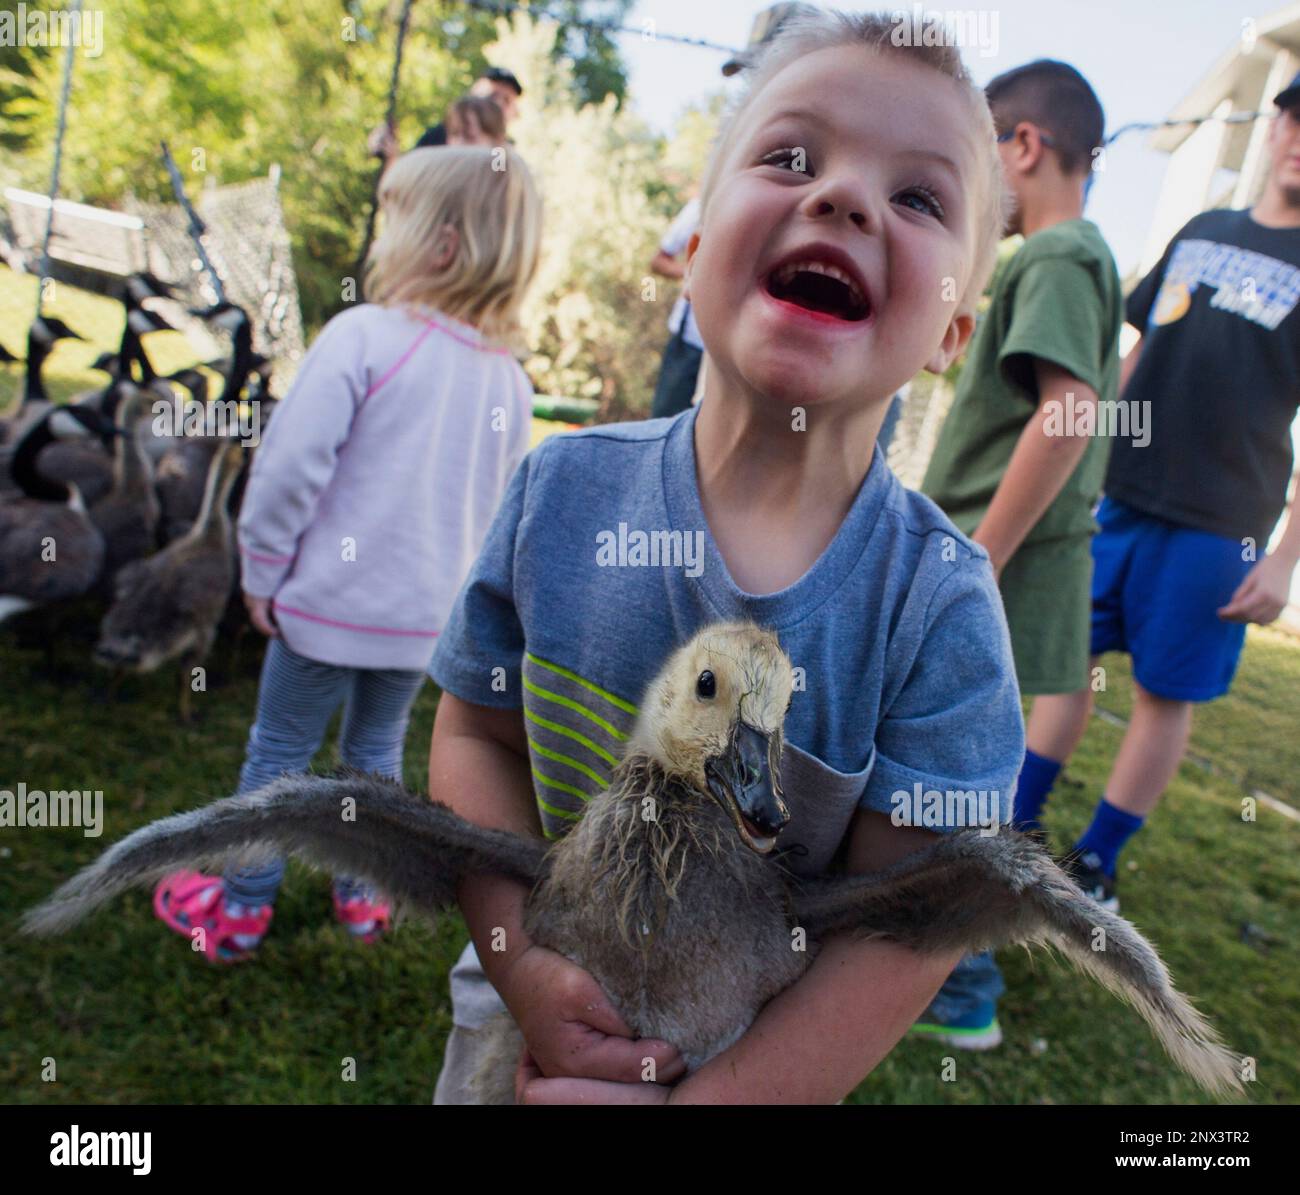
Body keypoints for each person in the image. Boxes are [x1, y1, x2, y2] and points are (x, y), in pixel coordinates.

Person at [425, 8, 1024, 1104]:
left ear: (951, 335)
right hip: (518, 995)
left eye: (918, 196)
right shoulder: (561, 492)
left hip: (750, 1046)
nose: (842, 197)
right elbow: (476, 733)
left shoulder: (937, 607)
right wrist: (524, 967)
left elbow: (909, 924)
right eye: (790, 158)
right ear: (693, 253)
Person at [150, 147, 542, 961]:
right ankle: (364, 899)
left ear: (438, 244)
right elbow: (499, 510)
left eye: (392, 217)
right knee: (372, 760)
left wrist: (261, 570)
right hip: (421, 628)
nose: (378, 238)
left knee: (279, 756)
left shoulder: (366, 336)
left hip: (326, 610)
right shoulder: (508, 381)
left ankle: (240, 909)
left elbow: (291, 466)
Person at [1020, 72, 1300, 913]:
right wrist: (1084, 452)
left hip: (1223, 525)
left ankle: (1096, 863)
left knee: (1161, 695)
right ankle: (1011, 825)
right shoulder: (1204, 228)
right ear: (1277, 127)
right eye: (1295, 119)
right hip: (1121, 492)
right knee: (1068, 664)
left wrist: (1285, 558)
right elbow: (1135, 354)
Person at [915, 60, 1121, 1050]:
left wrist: (979, 556)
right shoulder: (1083, 258)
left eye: (973, 153)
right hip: (1024, 556)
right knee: (962, 773)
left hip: (991, 556)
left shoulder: (1054, 255)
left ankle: (961, 982)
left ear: (1023, 147)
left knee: (946, 775)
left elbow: (1069, 410)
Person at [369, 66, 522, 162]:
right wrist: (391, 159)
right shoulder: (439, 136)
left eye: (506, 101)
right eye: (492, 96)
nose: (497, 105)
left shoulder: (507, 155)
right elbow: (406, 190)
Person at [648, 197, 704, 418]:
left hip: (732, 350)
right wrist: (698, 272)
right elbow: (658, 261)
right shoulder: (700, 208)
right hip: (689, 343)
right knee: (666, 420)